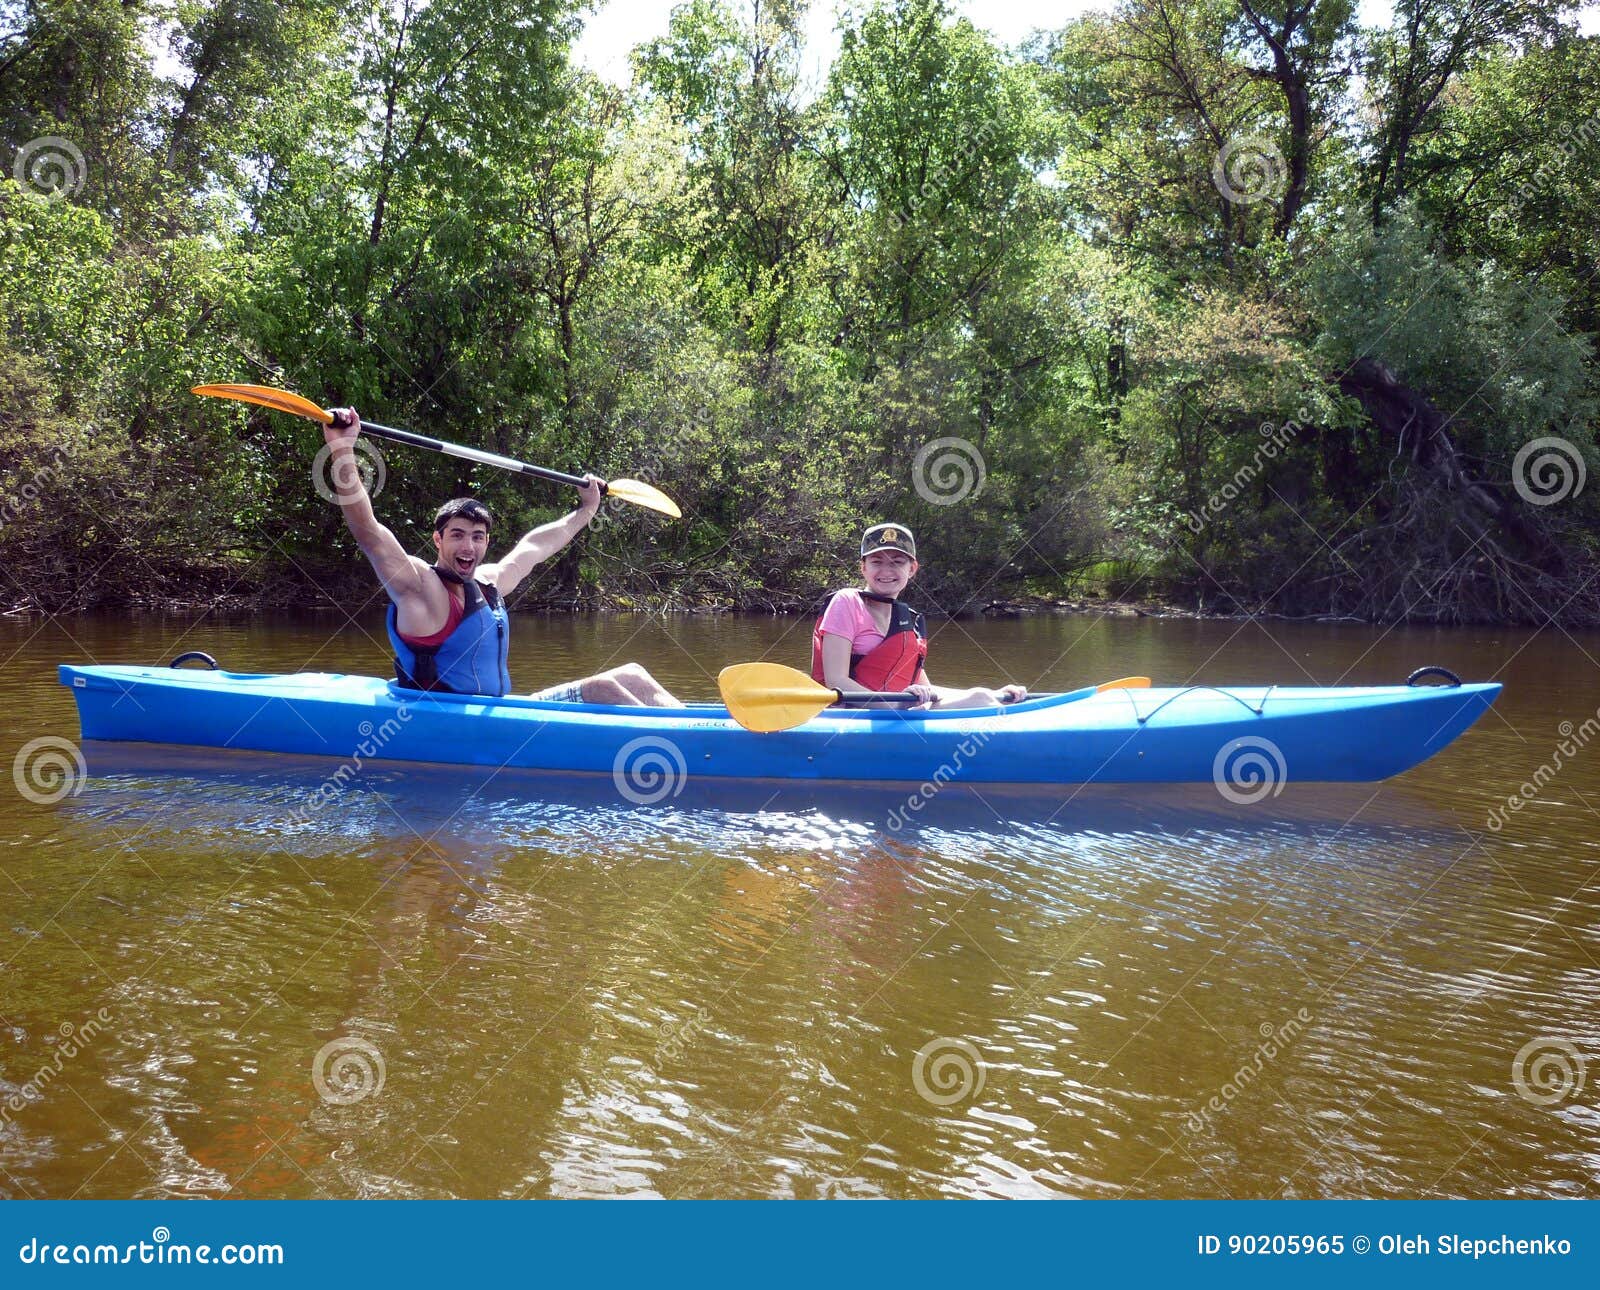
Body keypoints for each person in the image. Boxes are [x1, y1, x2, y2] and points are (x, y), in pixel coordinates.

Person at [322, 408, 681, 705]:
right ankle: (690, 748)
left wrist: (586, 511)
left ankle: (709, 730)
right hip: (446, 721)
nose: (468, 547)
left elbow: (537, 547)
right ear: (437, 539)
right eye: (458, 536)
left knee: (631, 674)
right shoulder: (418, 587)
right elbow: (368, 531)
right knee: (603, 691)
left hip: (504, 713)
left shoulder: (489, 582)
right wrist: (343, 450)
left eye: (477, 538)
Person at [811, 523, 1027, 709]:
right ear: (863, 568)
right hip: (852, 717)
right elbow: (836, 681)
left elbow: (926, 690)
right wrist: (898, 705)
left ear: (912, 568)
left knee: (981, 696)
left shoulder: (909, 621)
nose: (886, 571)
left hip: (897, 715)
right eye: (877, 561)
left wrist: (995, 694)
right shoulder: (846, 602)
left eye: (897, 562)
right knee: (980, 699)